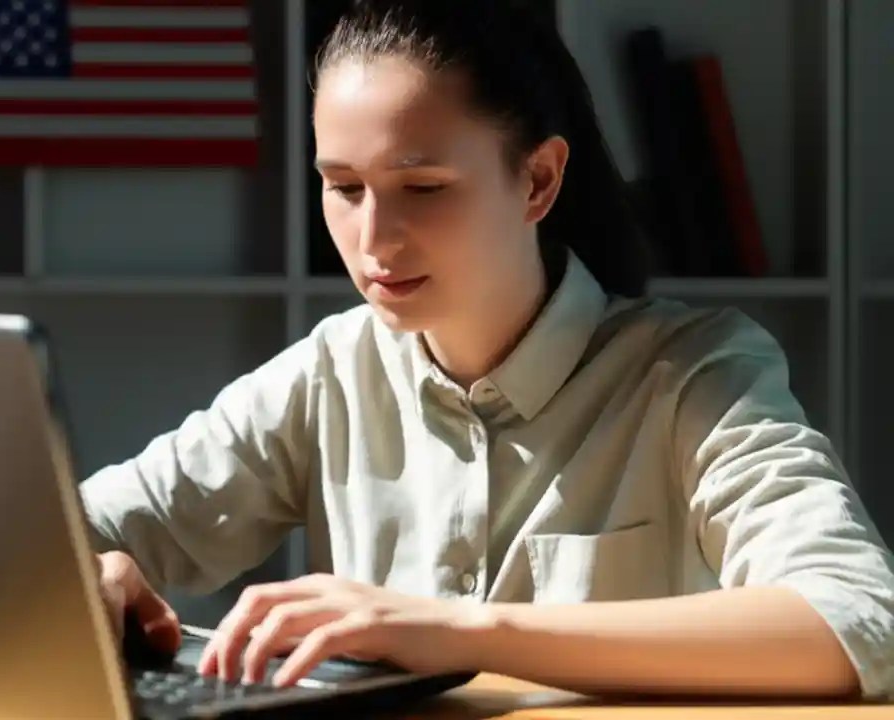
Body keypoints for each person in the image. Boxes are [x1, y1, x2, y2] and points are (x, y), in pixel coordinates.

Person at [80, 0, 894, 700]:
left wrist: (459, 631)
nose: (374, 241)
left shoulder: (695, 373)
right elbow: (61, 533)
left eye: (423, 188)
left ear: (538, 180)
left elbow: (860, 617)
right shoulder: (331, 372)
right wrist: (89, 571)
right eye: (345, 187)